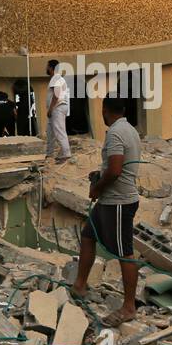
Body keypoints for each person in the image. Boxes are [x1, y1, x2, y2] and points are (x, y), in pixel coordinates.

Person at [69, 96, 140, 327]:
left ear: (105, 110)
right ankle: (80, 285)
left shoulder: (115, 133)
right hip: (109, 200)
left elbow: (117, 170)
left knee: (124, 253)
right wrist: (100, 176)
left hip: (118, 202)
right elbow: (114, 166)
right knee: (88, 236)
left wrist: (97, 187)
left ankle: (129, 307)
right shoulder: (129, 129)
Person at [44, 59, 71, 162]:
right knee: (50, 131)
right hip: (58, 107)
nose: (46, 68)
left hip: (57, 107)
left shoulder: (56, 77)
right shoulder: (58, 78)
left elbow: (56, 94)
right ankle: (49, 153)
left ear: (51, 67)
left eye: (47, 66)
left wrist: (51, 108)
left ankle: (66, 153)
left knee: (59, 130)